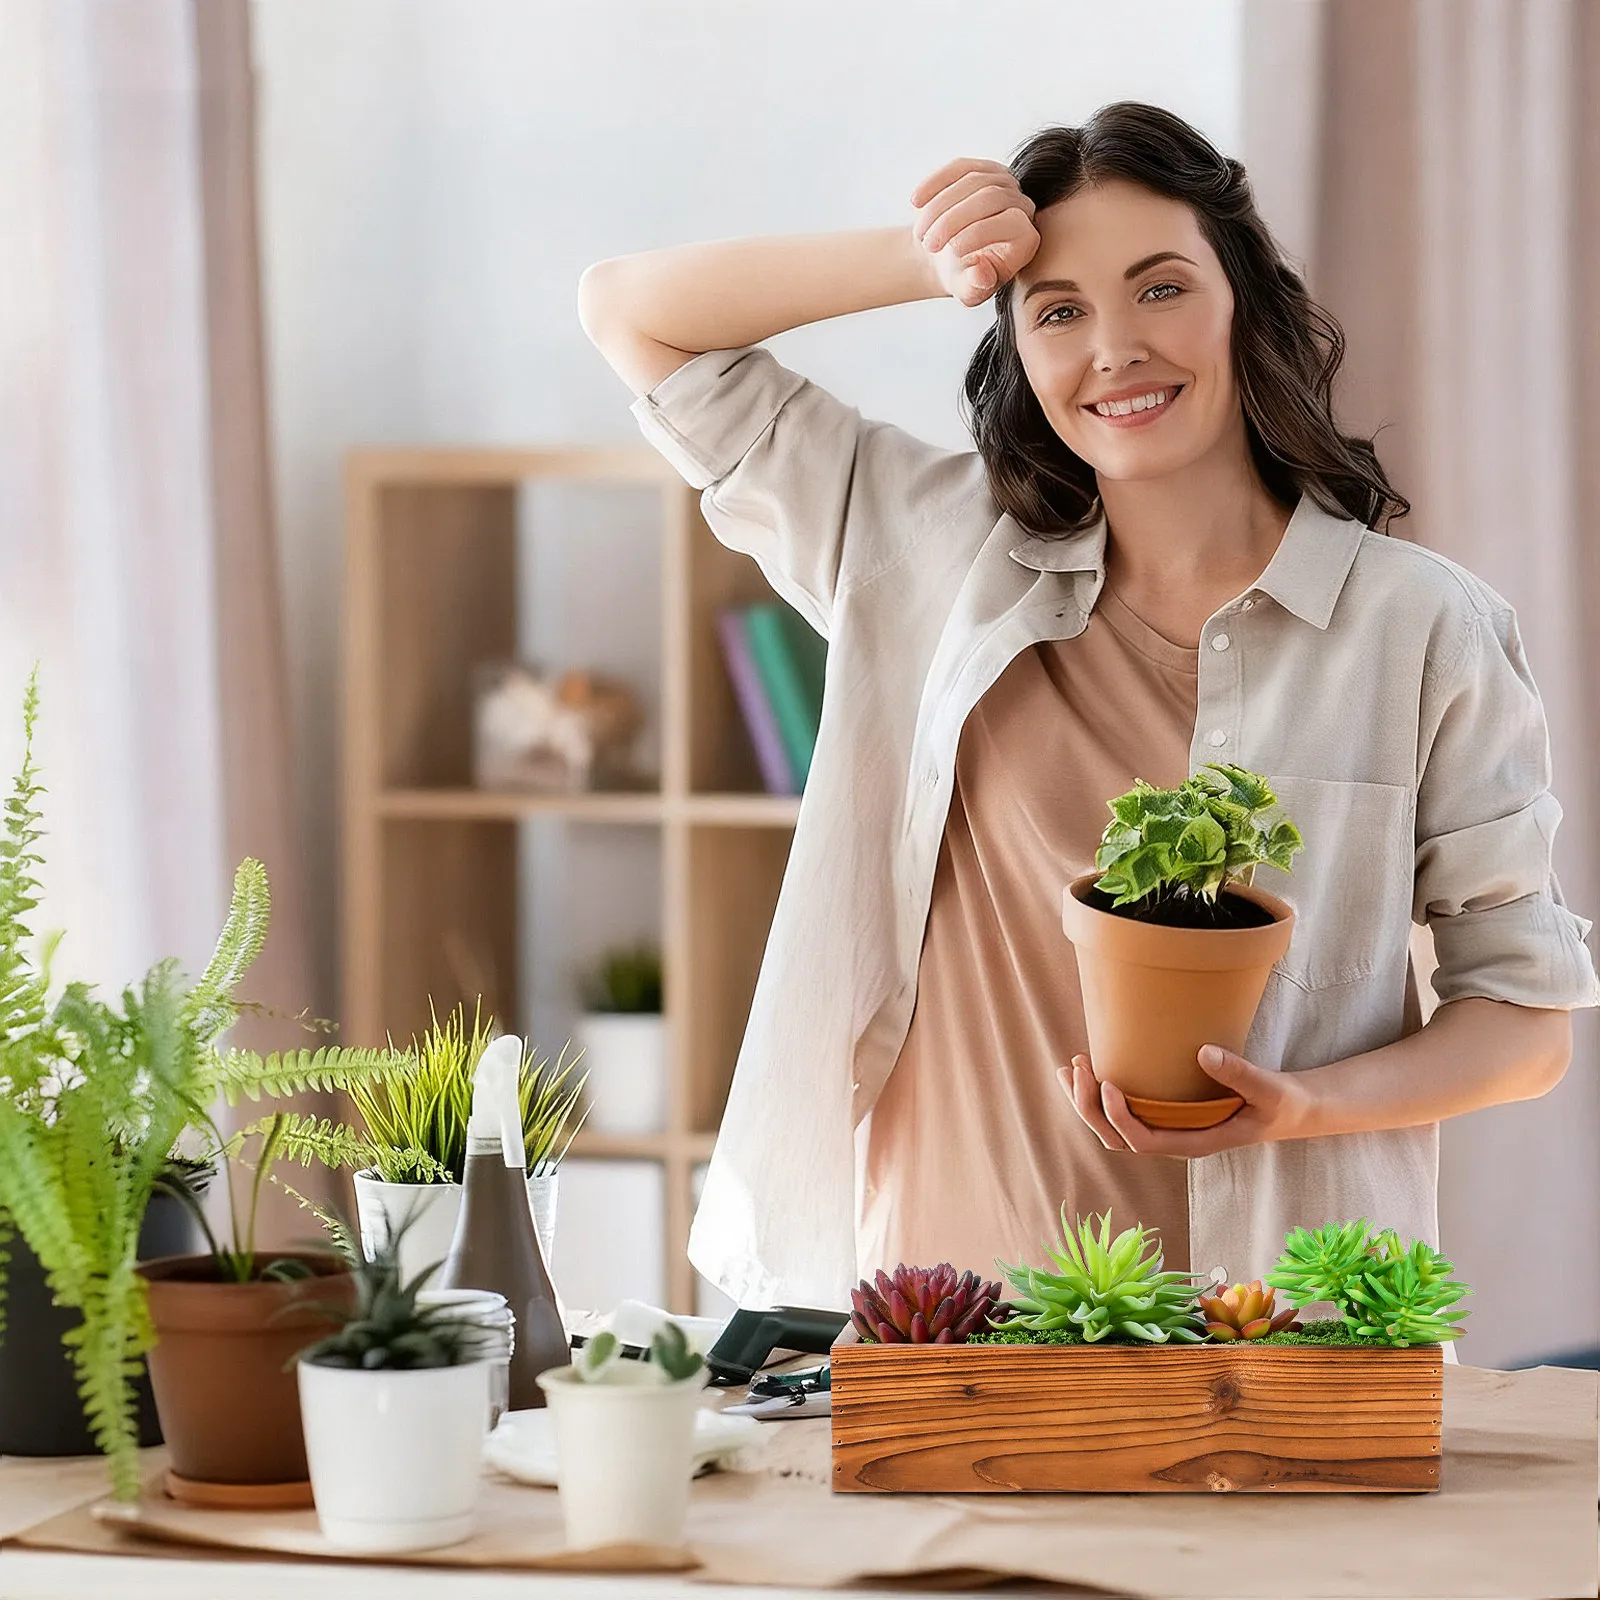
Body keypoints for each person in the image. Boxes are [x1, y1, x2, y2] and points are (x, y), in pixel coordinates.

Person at [579, 102, 1600, 1312]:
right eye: (1057, 310)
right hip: (963, 1320)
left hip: (1280, 1336)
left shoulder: (1422, 626)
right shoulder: (923, 551)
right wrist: (925, 259)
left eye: (1160, 288)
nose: (1114, 348)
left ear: (1243, 304)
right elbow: (630, 313)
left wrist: (1297, 1107)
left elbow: (1523, 1024)